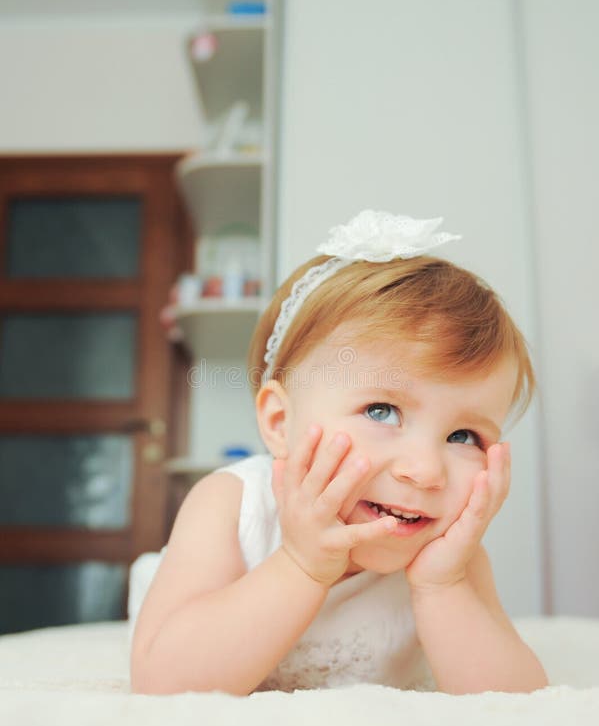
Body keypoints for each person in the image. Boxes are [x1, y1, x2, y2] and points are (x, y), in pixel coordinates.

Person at [129, 210, 548, 697]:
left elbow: (519, 703)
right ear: (280, 425)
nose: (426, 472)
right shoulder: (232, 505)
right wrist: (300, 564)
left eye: (463, 437)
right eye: (381, 411)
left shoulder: (451, 556)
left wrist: (442, 585)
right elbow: (161, 683)